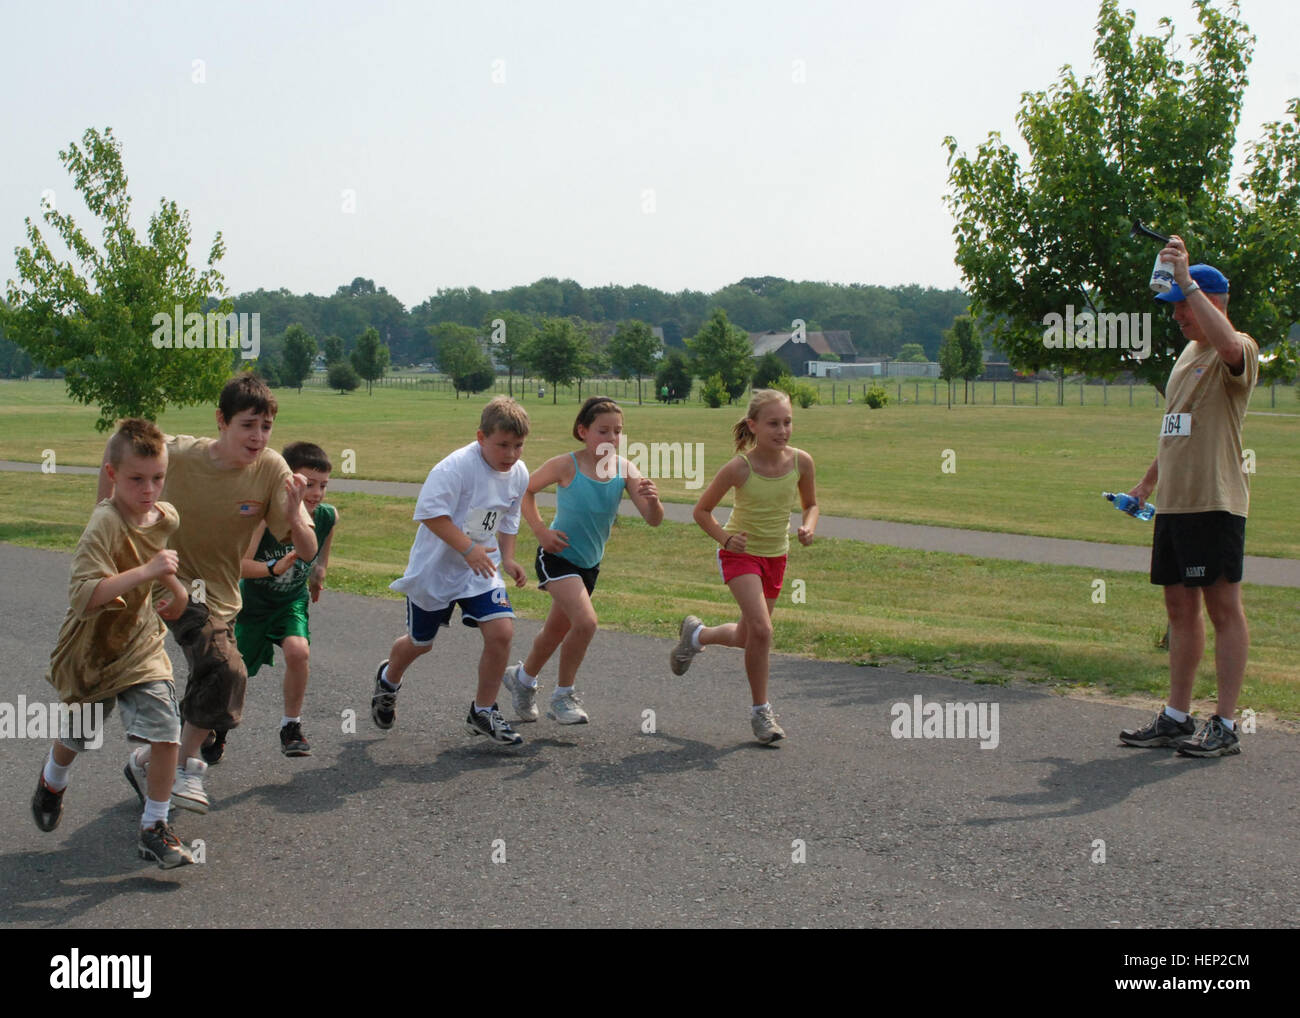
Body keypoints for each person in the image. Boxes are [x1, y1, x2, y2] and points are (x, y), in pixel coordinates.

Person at [96, 373, 317, 812]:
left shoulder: (271, 468)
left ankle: (150, 761)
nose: (258, 437)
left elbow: (306, 550)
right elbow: (119, 444)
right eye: (248, 425)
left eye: (266, 427)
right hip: (170, 582)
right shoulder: (178, 454)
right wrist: (104, 516)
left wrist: (294, 514)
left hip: (219, 595)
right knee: (226, 670)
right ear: (221, 420)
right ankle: (184, 764)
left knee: (213, 679)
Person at [33, 418, 195, 867]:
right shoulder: (104, 523)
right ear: (111, 475)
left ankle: (154, 827)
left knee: (167, 730)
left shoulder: (166, 517)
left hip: (141, 643)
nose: (149, 490)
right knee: (80, 733)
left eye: (158, 478)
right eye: (136, 479)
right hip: (93, 649)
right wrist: (145, 571)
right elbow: (84, 595)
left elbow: (165, 577)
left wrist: (176, 591)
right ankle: (52, 781)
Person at [1120, 240, 1259, 758]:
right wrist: (1148, 483)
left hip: (1214, 501)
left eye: (1183, 302)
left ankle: (1225, 724)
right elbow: (1177, 428)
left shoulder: (1237, 347)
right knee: (1179, 607)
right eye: (1175, 304)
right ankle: (1178, 717)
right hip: (1176, 504)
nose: (1177, 314)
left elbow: (1228, 349)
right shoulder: (1185, 356)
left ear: (1211, 299)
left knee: (1223, 607)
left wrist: (1189, 280)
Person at [371, 396, 530, 745]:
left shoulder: (518, 473)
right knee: (420, 643)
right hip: (437, 570)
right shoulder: (454, 468)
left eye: (518, 446)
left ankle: (483, 711)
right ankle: (388, 679)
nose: (511, 454)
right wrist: (467, 547)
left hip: (480, 568)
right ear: (480, 437)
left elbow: (509, 517)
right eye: (503, 445)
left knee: (502, 632)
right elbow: (430, 513)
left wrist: (510, 556)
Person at [501, 396, 663, 724]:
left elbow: (653, 519)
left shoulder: (625, 470)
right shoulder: (566, 465)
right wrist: (541, 531)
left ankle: (522, 679)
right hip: (557, 556)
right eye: (603, 431)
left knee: (554, 632)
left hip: (589, 566)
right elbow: (524, 491)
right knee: (586, 623)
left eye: (618, 432)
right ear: (583, 431)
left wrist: (654, 501)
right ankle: (563, 696)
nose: (612, 438)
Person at [669, 389, 818, 743]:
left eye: (787, 422)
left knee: (745, 636)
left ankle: (695, 635)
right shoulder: (740, 467)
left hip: (776, 556)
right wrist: (725, 539)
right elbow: (701, 511)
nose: (782, 430)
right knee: (763, 631)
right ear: (753, 425)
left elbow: (811, 504)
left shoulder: (801, 462)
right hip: (740, 554)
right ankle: (760, 713)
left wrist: (809, 526)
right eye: (773, 423)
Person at [235, 441, 339, 757]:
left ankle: (291, 725)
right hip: (252, 606)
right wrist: (272, 567)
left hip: (289, 603)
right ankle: (217, 726)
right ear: (287, 482)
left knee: (298, 651)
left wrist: (319, 571)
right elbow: (240, 565)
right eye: (308, 484)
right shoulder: (264, 520)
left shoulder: (325, 516)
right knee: (234, 673)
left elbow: (326, 535)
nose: (317, 493)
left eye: (323, 485)